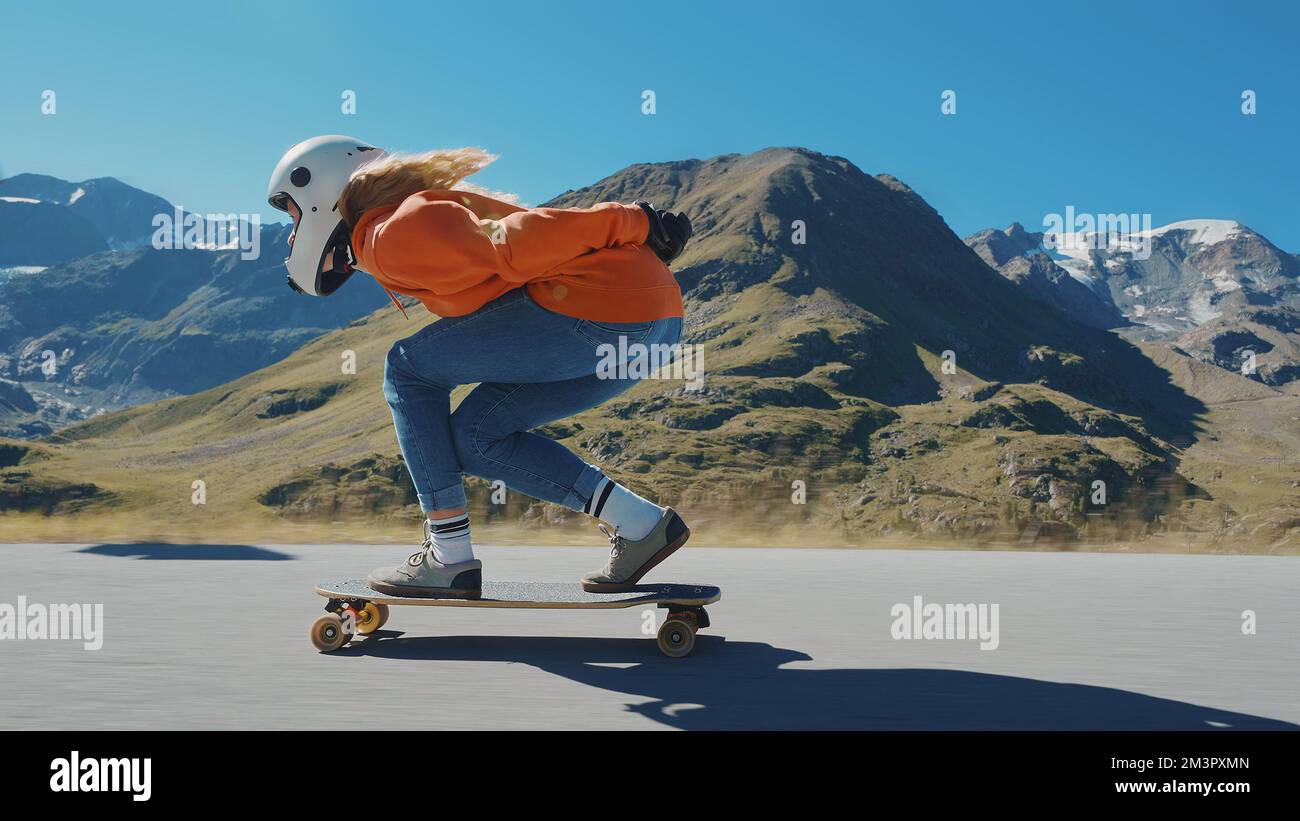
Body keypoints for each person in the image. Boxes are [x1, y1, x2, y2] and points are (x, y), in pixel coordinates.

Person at [267, 135, 694, 598]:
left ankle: (448, 556)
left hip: (598, 315)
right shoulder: (396, 228)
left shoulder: (389, 235)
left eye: (291, 215)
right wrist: (634, 255)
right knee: (476, 437)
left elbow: (511, 244)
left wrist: (631, 221)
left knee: (408, 370)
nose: (292, 235)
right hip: (650, 327)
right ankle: (641, 525)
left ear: (319, 196)